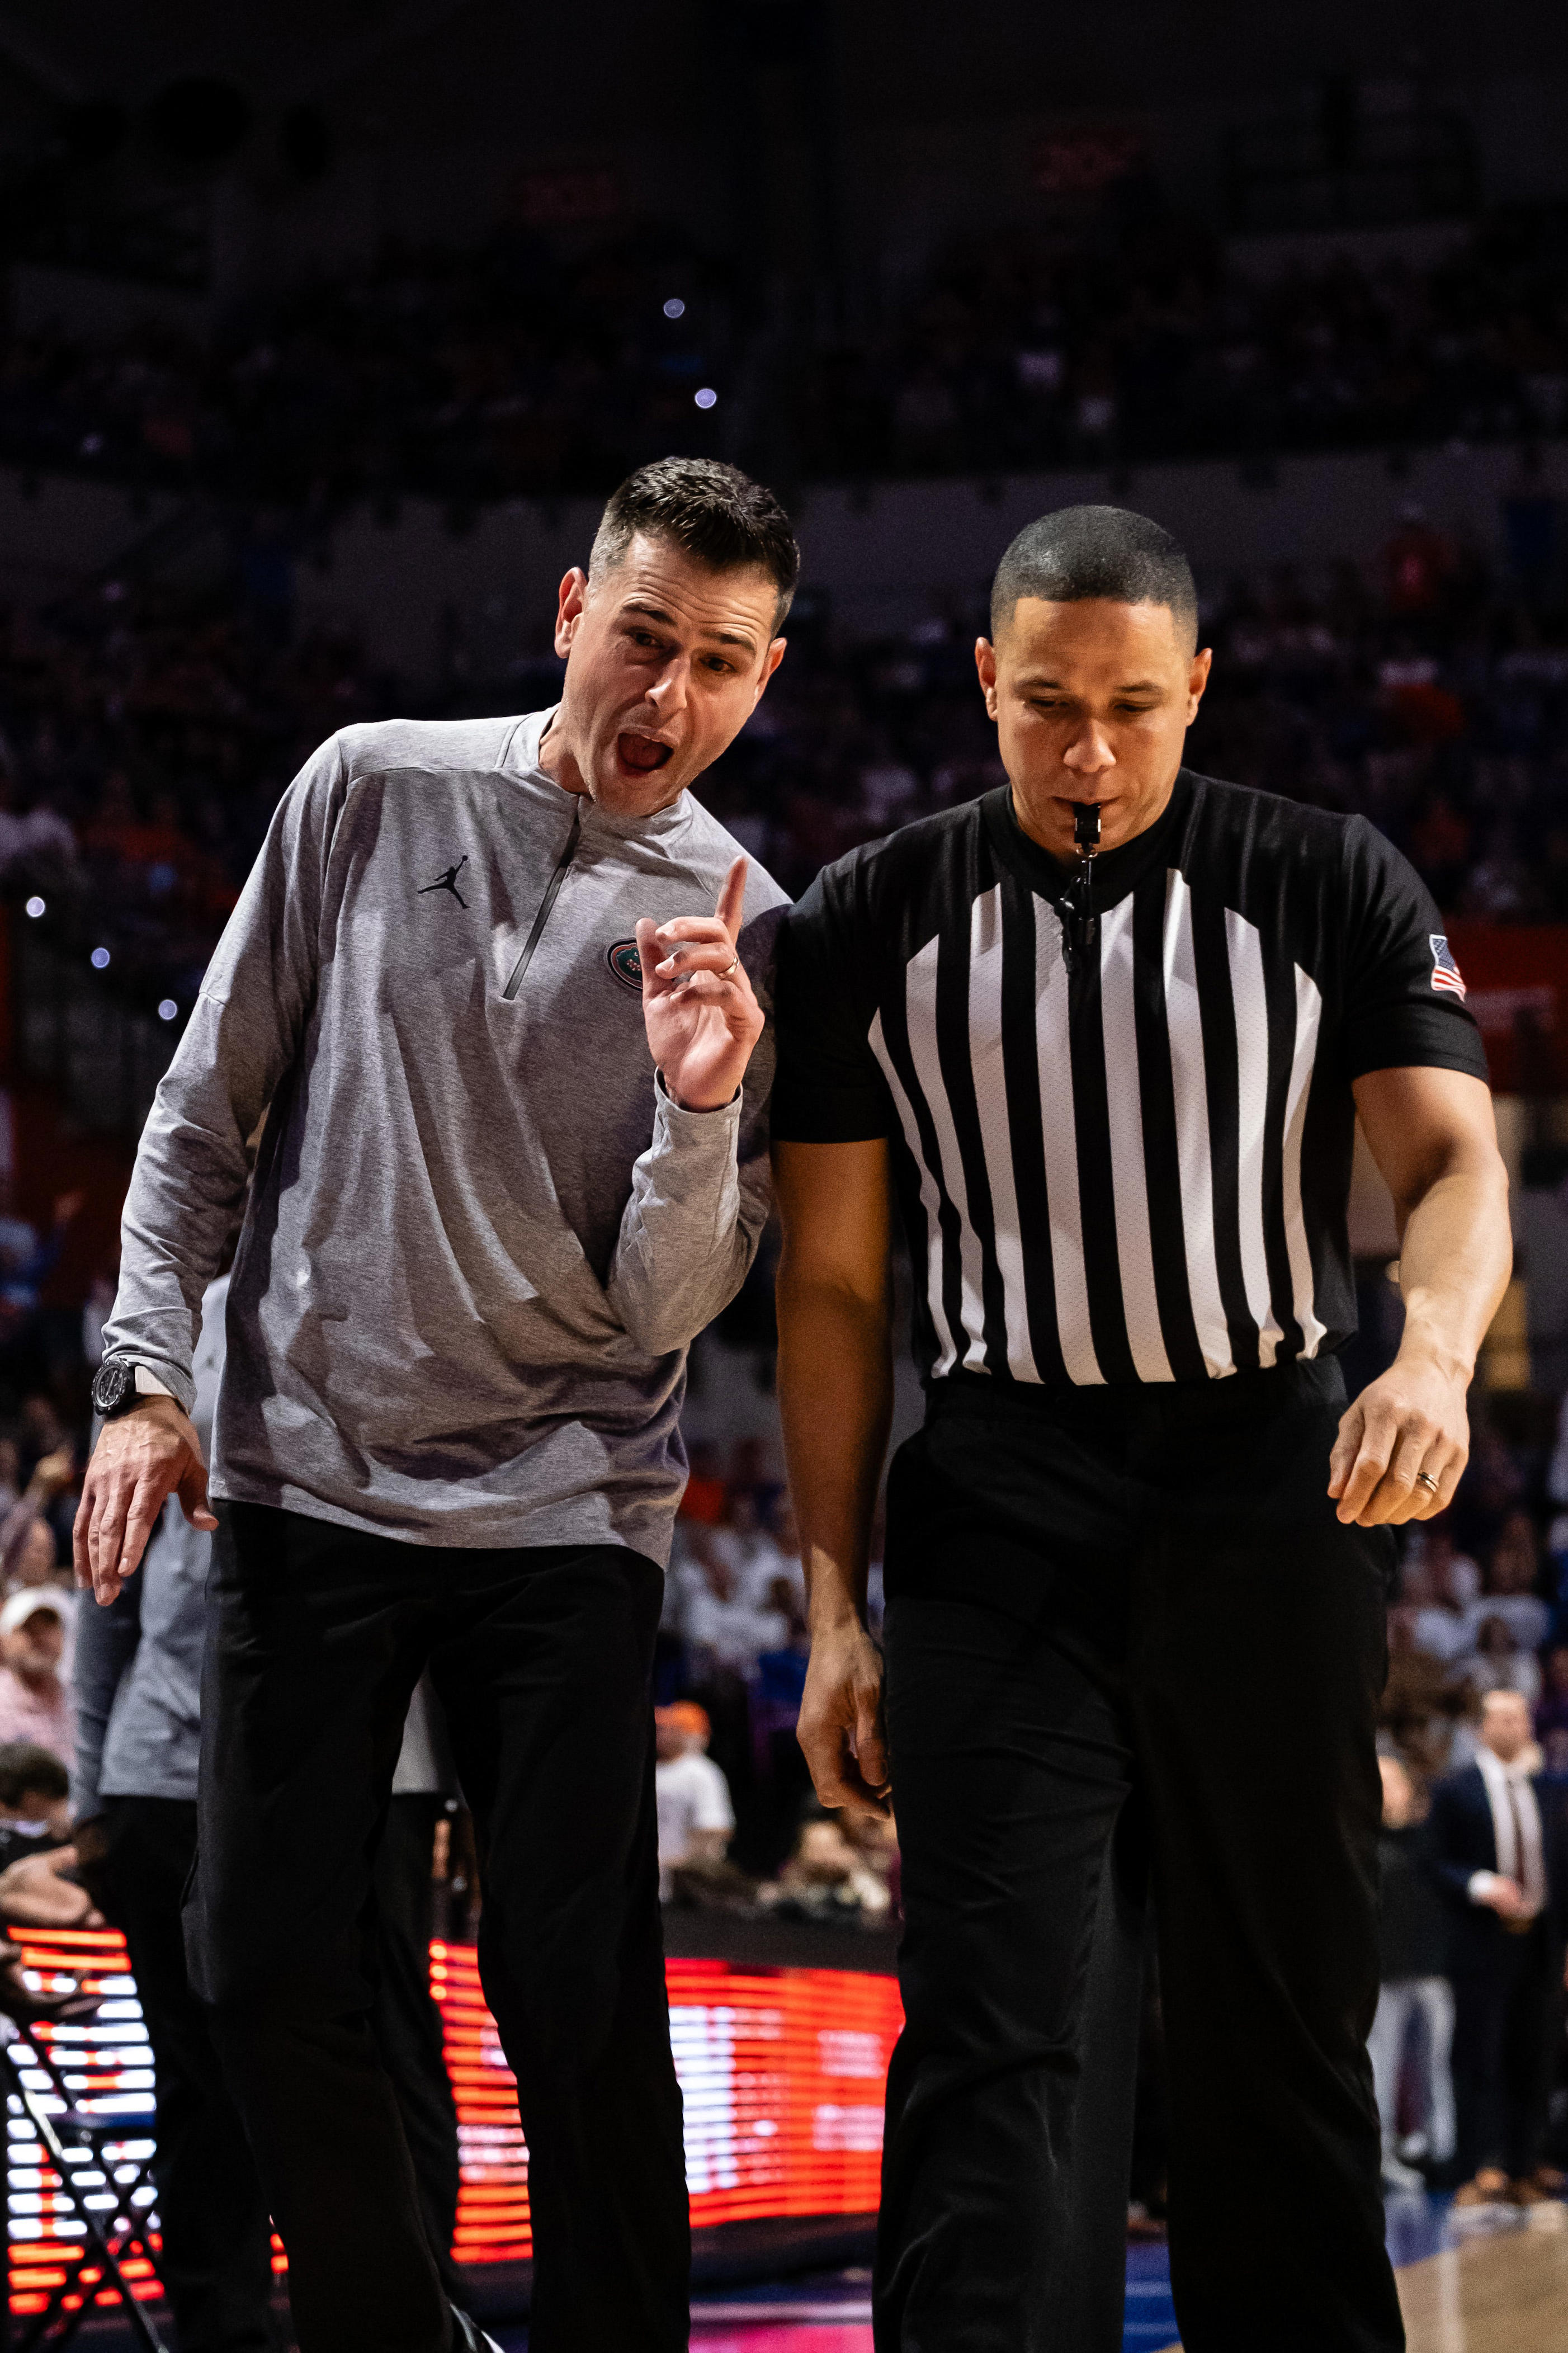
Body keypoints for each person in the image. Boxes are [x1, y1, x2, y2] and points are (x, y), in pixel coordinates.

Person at [75, 455, 797, 2353]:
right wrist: (148, 1379)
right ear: (570, 609)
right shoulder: (368, 781)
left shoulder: (750, 919)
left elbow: (669, 1304)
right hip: (310, 1478)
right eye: (643, 636)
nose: (669, 694)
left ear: (766, 673)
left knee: (578, 1989)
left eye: (719, 662)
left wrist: (703, 1101)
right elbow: (200, 1109)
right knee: (254, 1961)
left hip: (565, 1510)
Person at [770, 503, 1512, 2352]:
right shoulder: (870, 913)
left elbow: (1454, 1165)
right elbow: (837, 1290)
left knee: (1279, 2017)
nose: (1086, 750)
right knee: (990, 2022)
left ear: (1196, 684)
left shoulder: (1324, 872)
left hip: (1267, 1467)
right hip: (995, 1497)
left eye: (1127, 705)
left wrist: (1426, 1358)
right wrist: (833, 1606)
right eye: (1041, 706)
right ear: (980, 688)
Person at [1427, 1686, 1568, 2207]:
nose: (1516, 1726)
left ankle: (1525, 2163)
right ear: (1482, 1727)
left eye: (1521, 1717)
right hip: (1483, 1941)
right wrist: (1478, 1883)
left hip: (1541, 1942)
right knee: (1479, 2053)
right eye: (1503, 1718)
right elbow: (1433, 1861)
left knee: (1534, 2054)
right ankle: (1479, 2166)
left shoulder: (1550, 1788)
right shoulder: (1456, 1789)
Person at [1367, 1753, 1454, 2191]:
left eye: (1393, 1781)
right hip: (1383, 1975)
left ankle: (1439, 2152)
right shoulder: (1360, 1841)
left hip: (1432, 1970)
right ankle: (1380, 2158)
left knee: (1434, 2067)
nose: (1387, 1790)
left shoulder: (1431, 1840)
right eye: (1377, 1781)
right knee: (1382, 2068)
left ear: (1408, 1787)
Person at [654, 1701, 735, 1898]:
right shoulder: (652, 1769)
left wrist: (673, 1865)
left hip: (683, 1888)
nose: (659, 1734)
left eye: (666, 1729)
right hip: (651, 1884)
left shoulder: (700, 1772)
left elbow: (714, 1831)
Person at [0, 1590, 73, 1762]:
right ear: (4, 1640)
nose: (41, 1638)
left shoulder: (78, 1700)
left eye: (49, 1628)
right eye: (29, 1629)